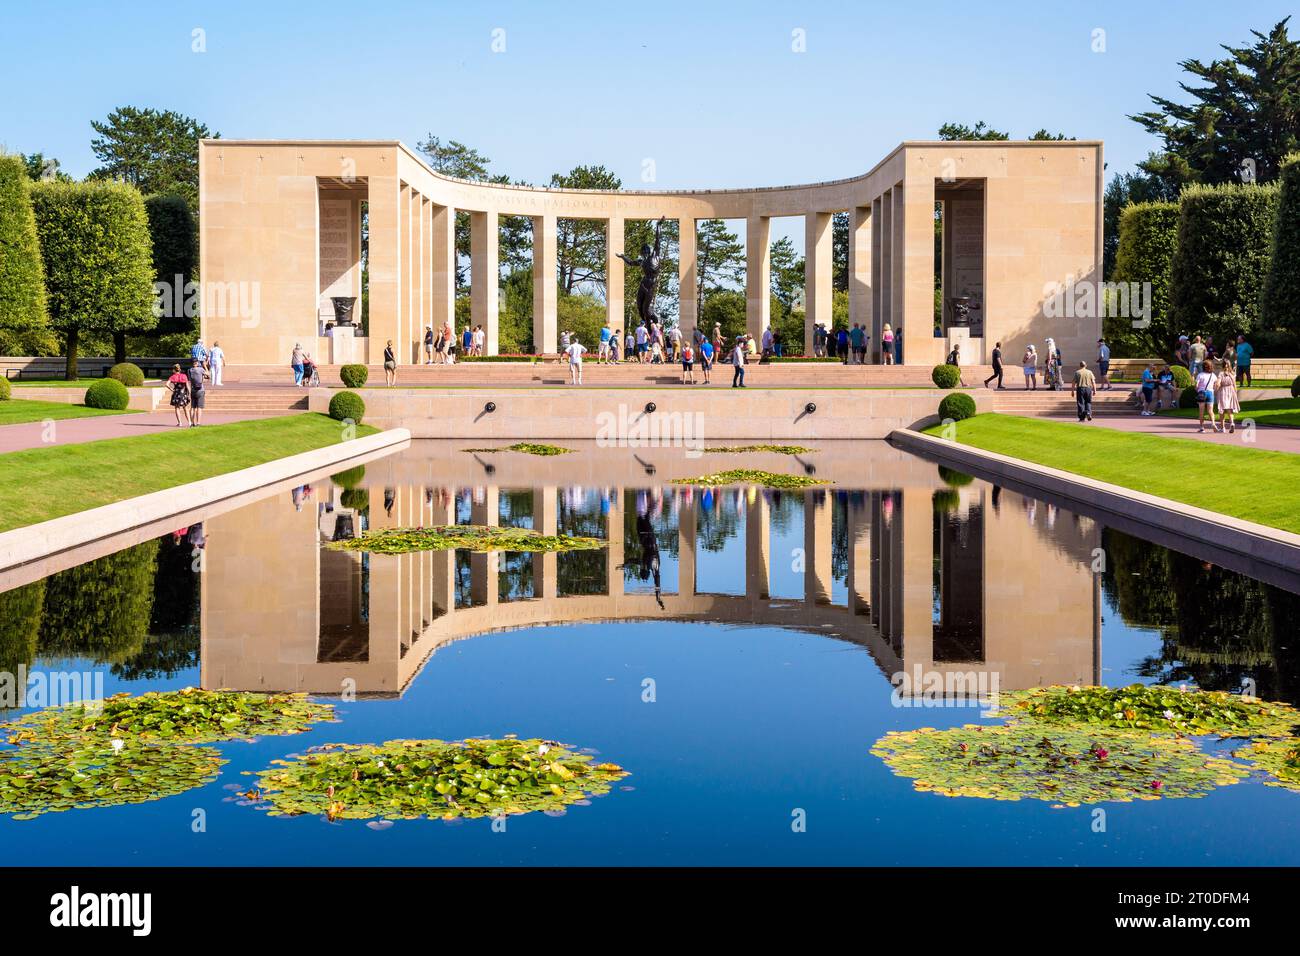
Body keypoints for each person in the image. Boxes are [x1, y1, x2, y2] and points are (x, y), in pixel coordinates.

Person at [1216, 359, 1240, 433]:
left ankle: (1222, 428)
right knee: (1230, 409)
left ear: (1223, 365)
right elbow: (1234, 385)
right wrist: (1235, 393)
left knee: (1222, 410)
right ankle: (1232, 423)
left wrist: (1216, 388)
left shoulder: (1221, 374)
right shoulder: (1232, 373)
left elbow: (1218, 383)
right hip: (1231, 390)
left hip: (1223, 391)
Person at [1194, 359, 1218, 433]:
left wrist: (1197, 390)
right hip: (1210, 393)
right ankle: (1213, 423)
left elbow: (1196, 386)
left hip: (1202, 393)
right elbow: (1216, 385)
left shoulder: (1200, 375)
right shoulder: (1213, 375)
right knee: (1210, 411)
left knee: (1201, 412)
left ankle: (1202, 427)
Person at [186, 359, 209, 425]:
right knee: (199, 407)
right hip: (200, 390)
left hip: (193, 389)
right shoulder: (201, 369)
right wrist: (205, 366)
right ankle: (198, 422)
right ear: (197, 362)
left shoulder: (189, 370)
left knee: (192, 407)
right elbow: (208, 375)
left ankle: (192, 422)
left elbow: (190, 379)